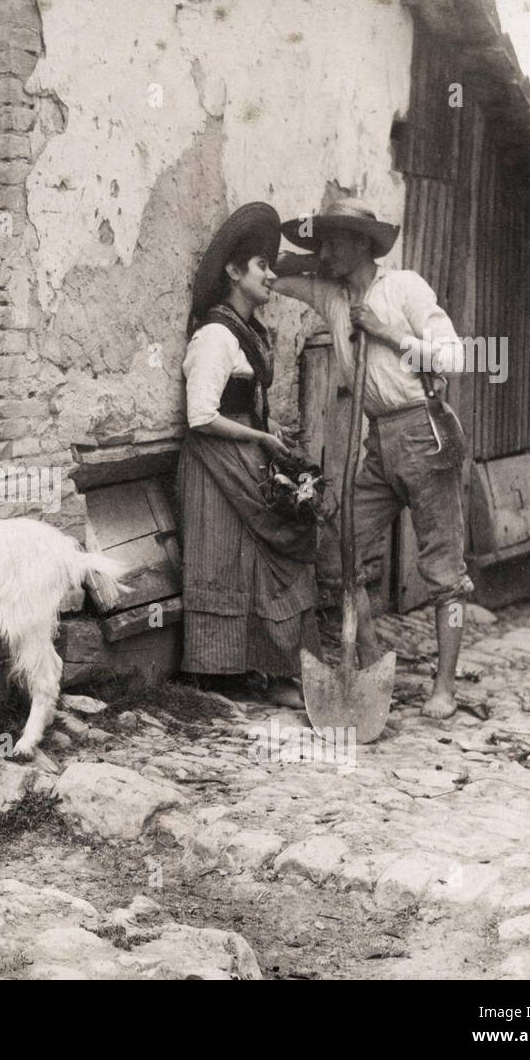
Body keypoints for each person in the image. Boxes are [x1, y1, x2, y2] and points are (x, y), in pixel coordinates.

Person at [272, 196, 473, 719]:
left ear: (364, 244)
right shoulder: (332, 296)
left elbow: (455, 355)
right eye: (320, 242)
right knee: (341, 545)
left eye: (334, 241)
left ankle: (445, 689)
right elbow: (275, 273)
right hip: (379, 439)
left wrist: (388, 334)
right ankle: (367, 662)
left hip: (425, 433)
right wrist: (306, 256)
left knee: (443, 569)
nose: (323, 251)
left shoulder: (405, 287)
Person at [179, 202, 321, 708]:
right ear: (234, 272)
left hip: (243, 455)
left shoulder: (248, 335)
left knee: (262, 560)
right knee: (230, 562)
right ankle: (221, 673)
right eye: (262, 265)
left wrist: (270, 429)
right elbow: (200, 415)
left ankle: (263, 669)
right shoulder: (215, 336)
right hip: (217, 463)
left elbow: (246, 402)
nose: (271, 274)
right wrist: (260, 439)